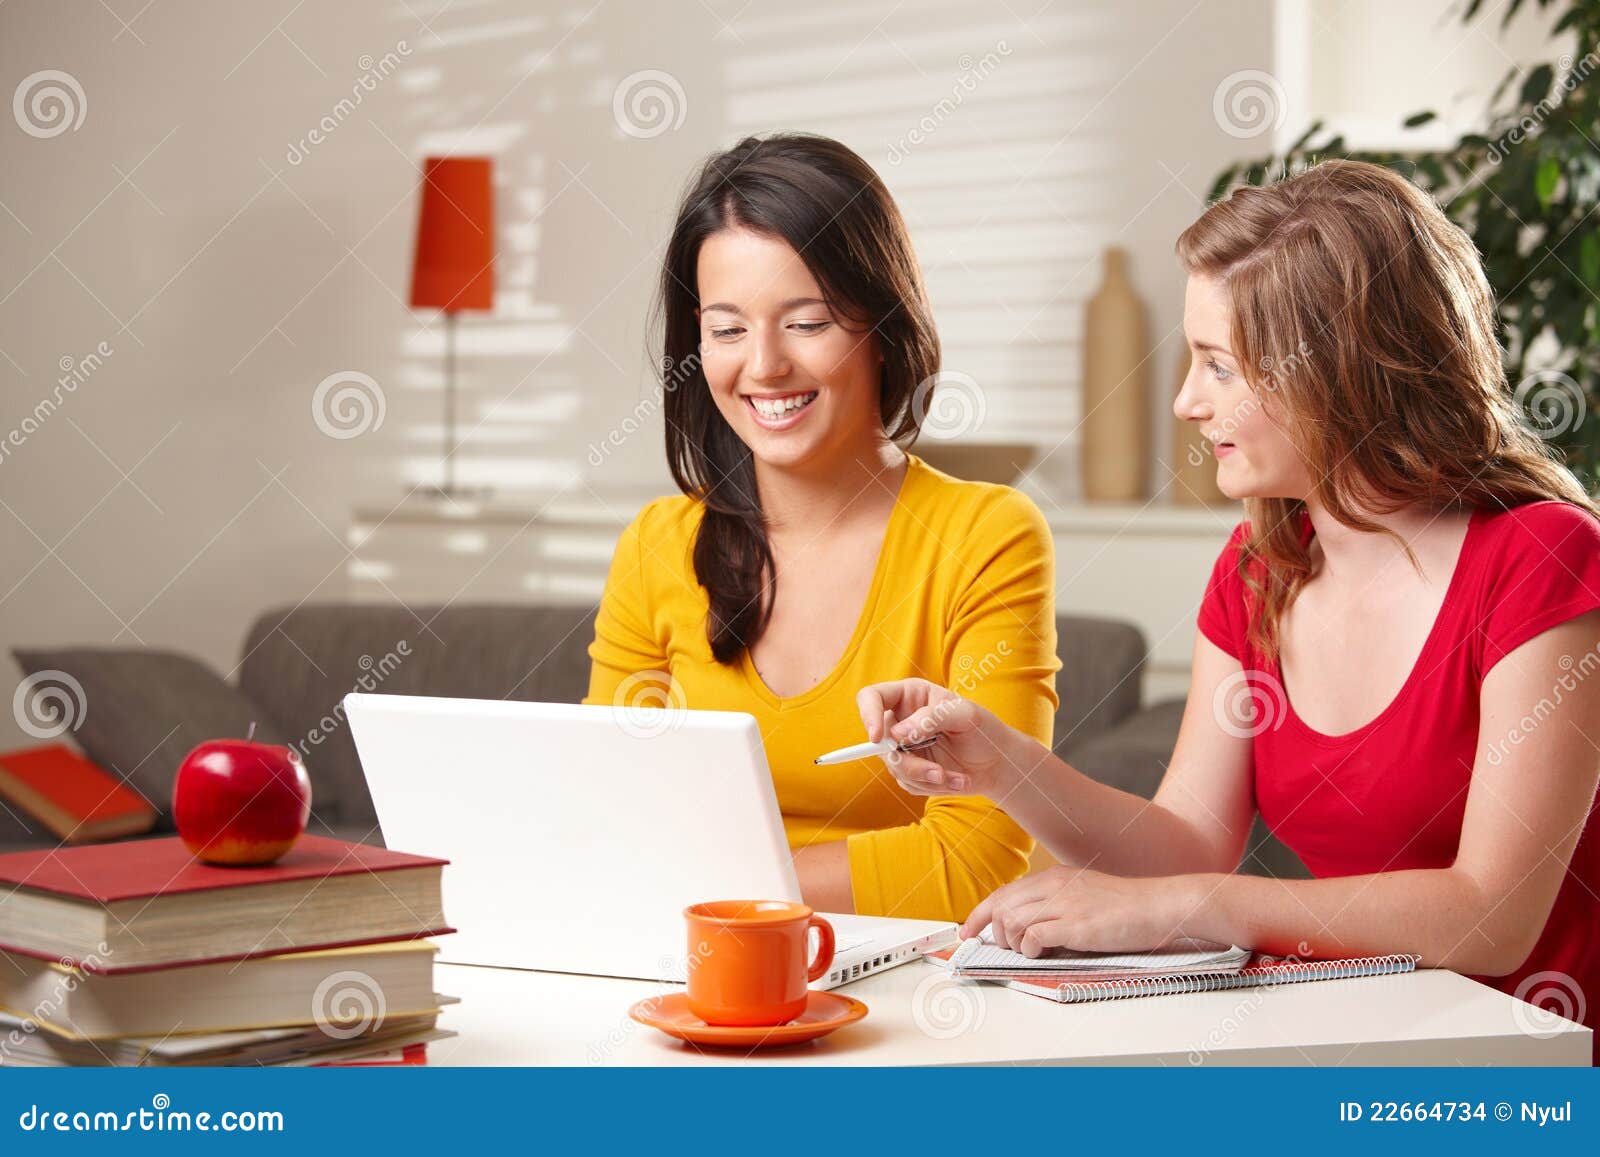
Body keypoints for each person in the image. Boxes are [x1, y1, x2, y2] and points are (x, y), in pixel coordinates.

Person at [858, 159, 1600, 1058]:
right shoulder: (1258, 572)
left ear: (1334, 372)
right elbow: (1188, 841)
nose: (1186, 400)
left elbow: (1493, 916)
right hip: (1365, 1043)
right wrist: (1004, 763)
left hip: (1530, 1065)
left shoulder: (1544, 558)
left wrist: (1186, 906)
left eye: (1218, 365)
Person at [584, 133, 1060, 922]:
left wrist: (706, 883)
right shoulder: (656, 545)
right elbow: (603, 819)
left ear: (883, 325)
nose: (764, 366)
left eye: (806, 323)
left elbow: (972, 865)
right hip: (695, 965)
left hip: (906, 975)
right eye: (728, 330)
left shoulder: (986, 535)